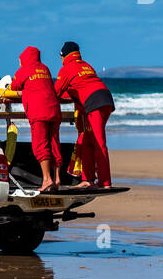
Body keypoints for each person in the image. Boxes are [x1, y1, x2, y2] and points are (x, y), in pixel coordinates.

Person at [54, 41, 115, 188]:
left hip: (94, 103)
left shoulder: (66, 69)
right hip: (106, 98)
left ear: (64, 56)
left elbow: (55, 92)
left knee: (99, 142)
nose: (61, 60)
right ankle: (87, 179)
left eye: (61, 57)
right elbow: (82, 86)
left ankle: (105, 182)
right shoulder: (86, 65)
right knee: (87, 140)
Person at [11, 45, 62, 193]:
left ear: (24, 59)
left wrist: (18, 93)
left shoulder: (23, 70)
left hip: (39, 111)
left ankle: (47, 179)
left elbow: (14, 87)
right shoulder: (45, 69)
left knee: (40, 145)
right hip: (54, 109)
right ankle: (57, 178)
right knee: (54, 143)